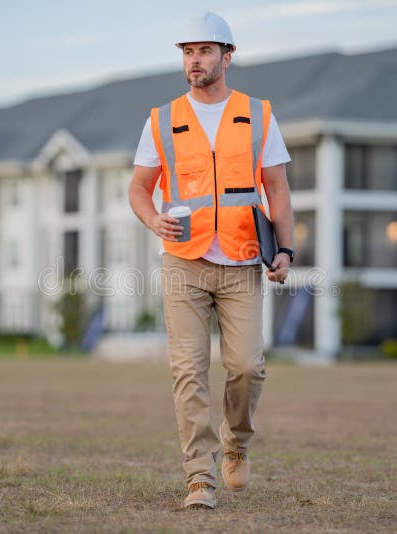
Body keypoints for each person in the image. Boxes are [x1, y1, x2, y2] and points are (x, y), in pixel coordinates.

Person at [128, 11, 295, 510]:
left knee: (247, 367)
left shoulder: (259, 114)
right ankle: (199, 478)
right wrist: (153, 219)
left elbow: (278, 189)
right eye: (187, 52)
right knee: (189, 371)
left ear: (228, 55)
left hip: (243, 260)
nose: (194, 60)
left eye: (204, 51)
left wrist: (284, 250)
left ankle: (236, 443)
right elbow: (138, 187)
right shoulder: (162, 119)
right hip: (183, 260)